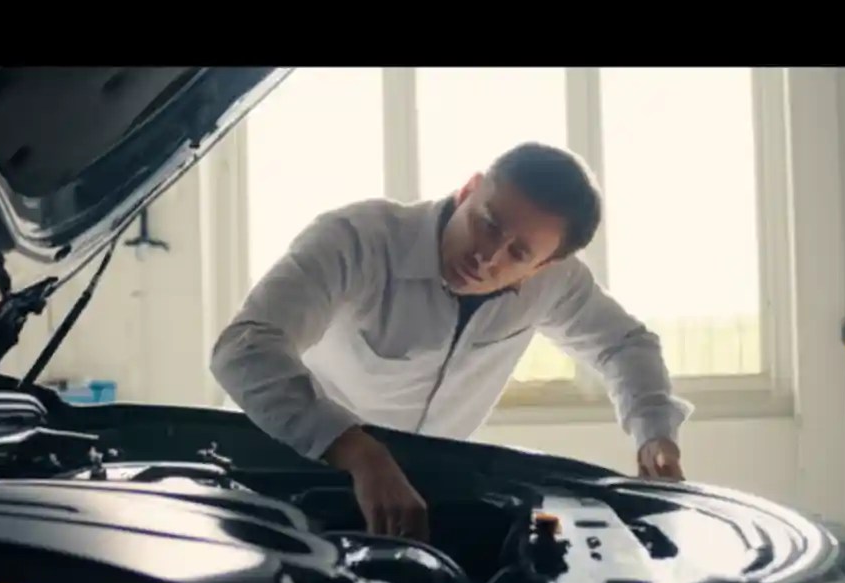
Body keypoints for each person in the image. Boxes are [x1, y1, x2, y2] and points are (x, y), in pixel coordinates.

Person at [210, 141, 692, 541]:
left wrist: (654, 431)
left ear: (544, 266)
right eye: (489, 221)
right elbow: (244, 348)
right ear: (469, 189)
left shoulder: (556, 284)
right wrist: (358, 450)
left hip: (418, 500)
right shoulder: (357, 239)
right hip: (278, 479)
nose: (487, 255)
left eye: (518, 252)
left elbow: (625, 344)